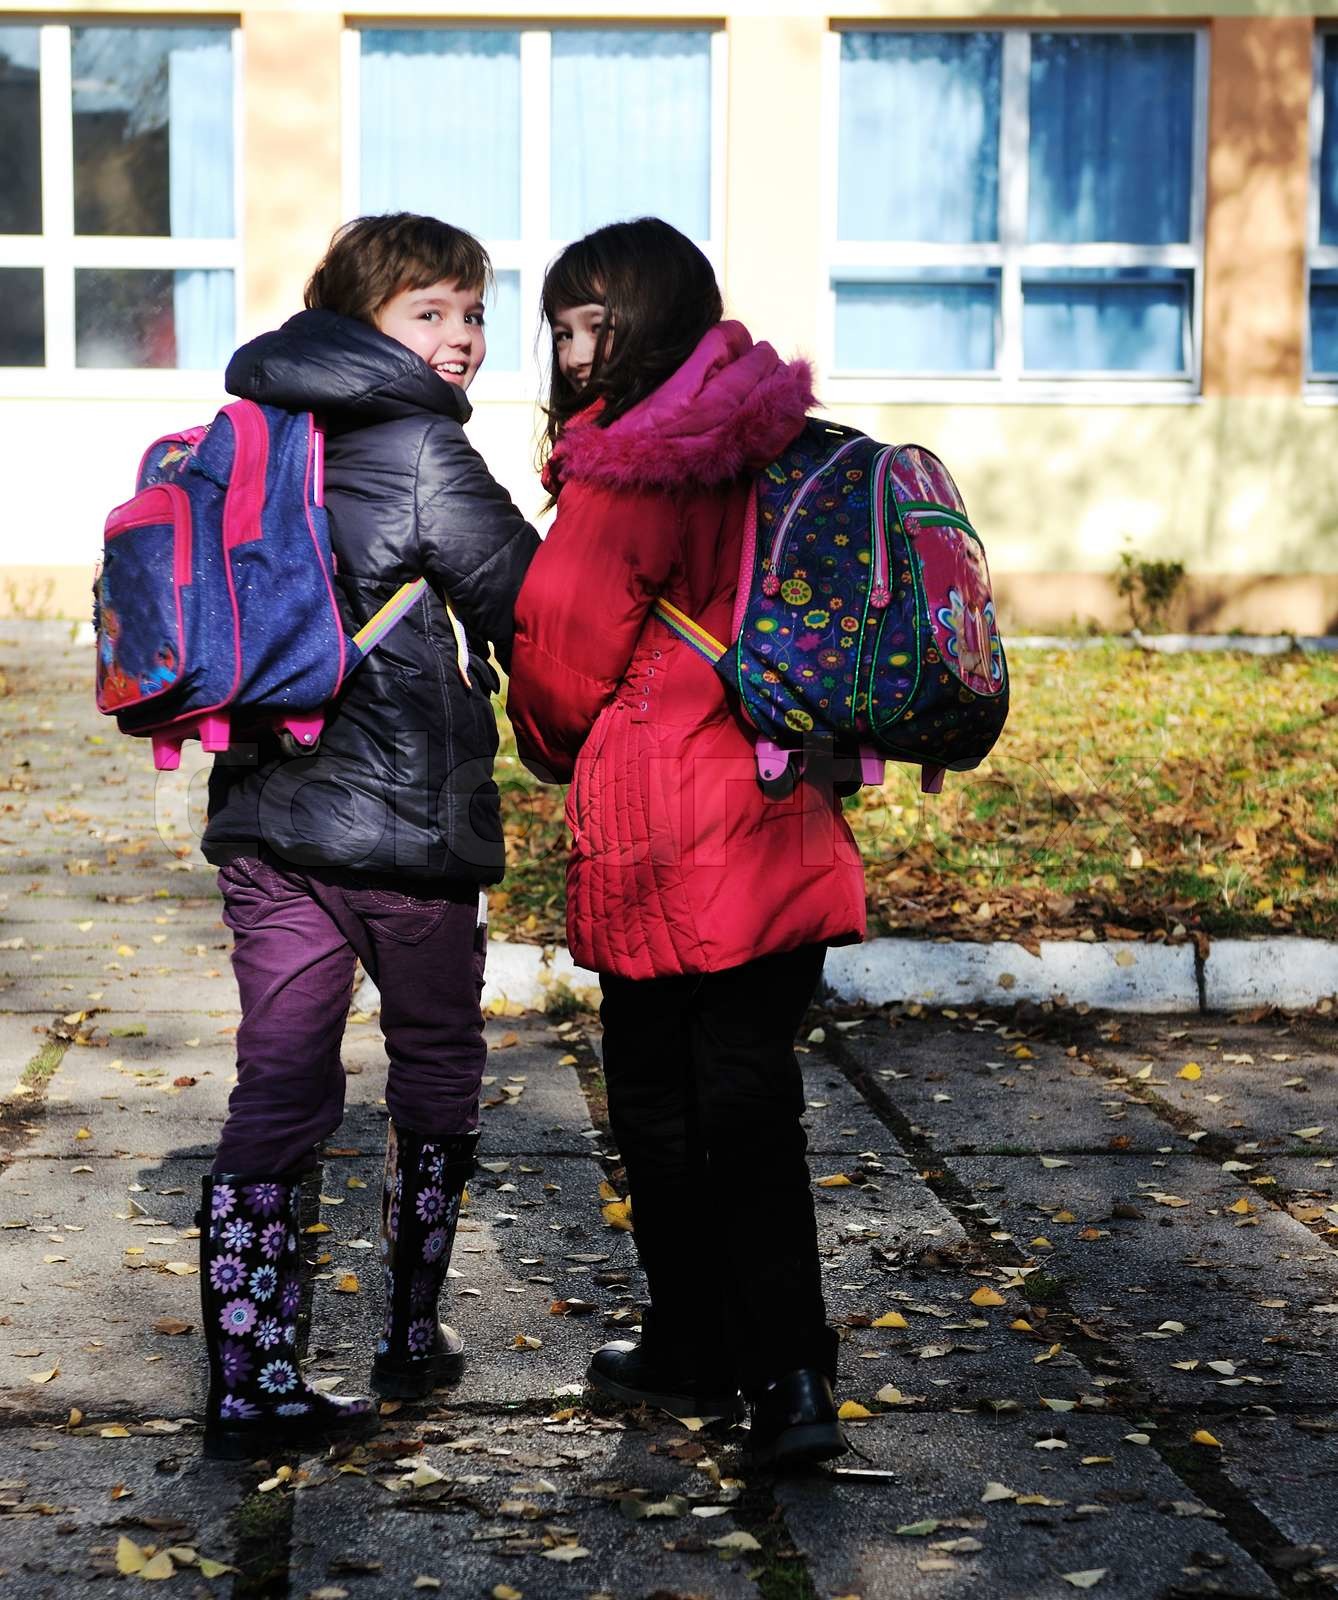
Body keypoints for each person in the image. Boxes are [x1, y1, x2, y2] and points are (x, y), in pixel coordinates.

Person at [506, 217, 866, 1468]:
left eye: (576, 324)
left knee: (664, 1107)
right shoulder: (777, 440)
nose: (560, 350)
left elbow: (558, 660)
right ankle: (795, 1376)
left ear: (632, 326)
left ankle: (696, 1342)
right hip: (784, 822)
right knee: (757, 1106)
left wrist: (549, 743)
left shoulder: (628, 473)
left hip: (669, 846)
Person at [196, 213, 539, 1459]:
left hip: (264, 818)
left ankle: (250, 1376)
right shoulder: (419, 453)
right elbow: (526, 597)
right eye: (429, 312)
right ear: (361, 322)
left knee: (277, 1082)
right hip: (406, 831)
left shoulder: (255, 430)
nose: (460, 338)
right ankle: (407, 1328)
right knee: (437, 1064)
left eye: (471, 312)